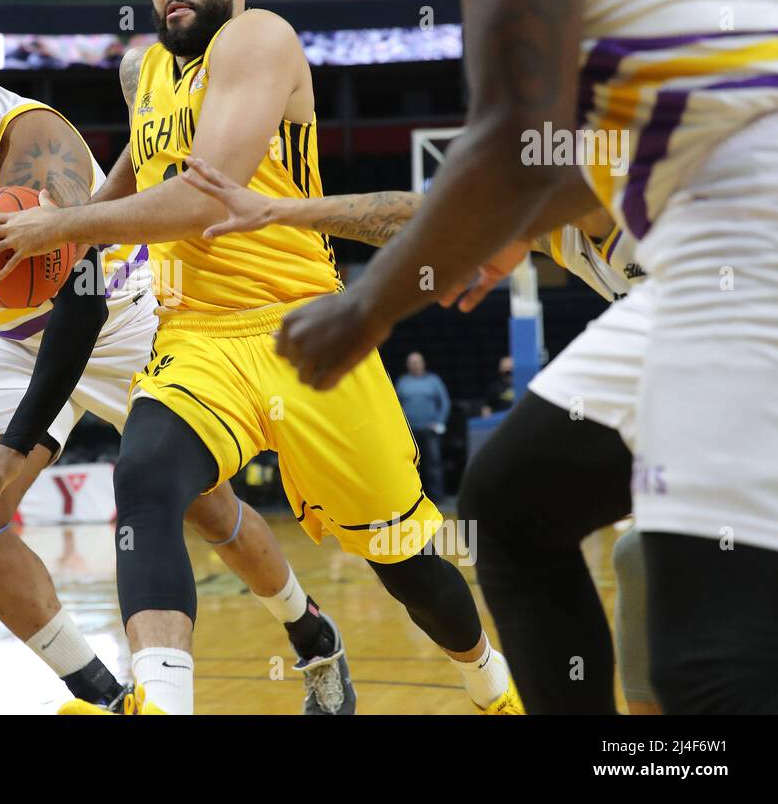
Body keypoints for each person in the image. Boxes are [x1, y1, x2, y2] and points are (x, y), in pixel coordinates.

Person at [266, 0, 778, 713]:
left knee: (705, 669)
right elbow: (666, 96)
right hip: (720, 204)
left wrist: (366, 307)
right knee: (512, 506)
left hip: (744, 218)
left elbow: (513, 132)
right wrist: (516, 222)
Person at [0, 0, 518, 715]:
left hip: (304, 329)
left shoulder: (259, 38)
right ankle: (160, 700)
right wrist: (74, 226)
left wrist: (60, 225)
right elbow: (146, 159)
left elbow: (199, 196)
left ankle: (489, 685)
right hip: (195, 338)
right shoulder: (143, 70)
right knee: (147, 479)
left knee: (406, 565)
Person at [0, 10, 358, 714]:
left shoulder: (31, 140)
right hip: (13, 338)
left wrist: (18, 446)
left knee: (203, 507)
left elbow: (82, 303)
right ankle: (104, 696)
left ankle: (311, 633)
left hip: (119, 318)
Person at [180, 145, 658, 712]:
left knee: (529, 512)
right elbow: (426, 217)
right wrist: (281, 212)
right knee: (621, 551)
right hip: (688, 368)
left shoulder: (650, 187)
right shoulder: (571, 227)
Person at [394, 353, 450, 504]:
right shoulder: (402, 382)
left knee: (434, 464)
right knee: (410, 466)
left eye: (417, 362)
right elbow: (395, 405)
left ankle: (438, 498)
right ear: (407, 365)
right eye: (411, 362)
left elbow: (444, 403)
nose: (414, 364)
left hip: (430, 430)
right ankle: (411, 500)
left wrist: (439, 422)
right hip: (409, 432)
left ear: (423, 363)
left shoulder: (433, 381)